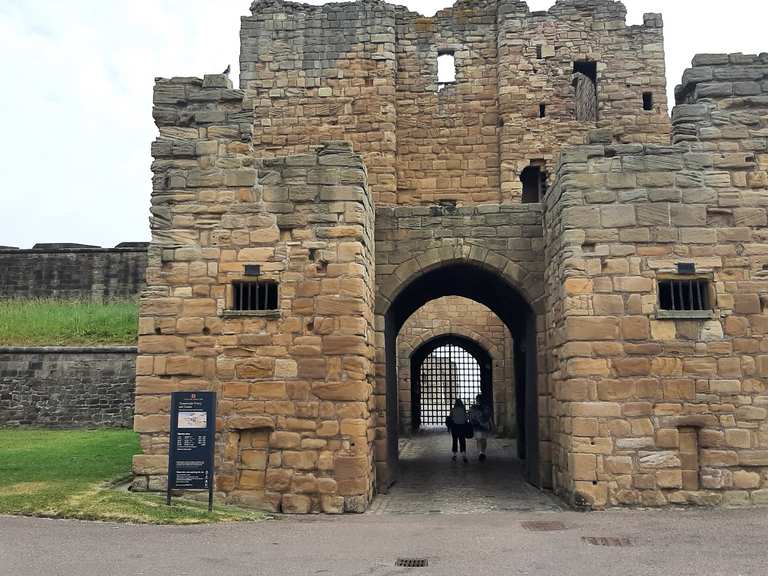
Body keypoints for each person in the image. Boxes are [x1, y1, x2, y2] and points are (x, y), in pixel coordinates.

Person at [470, 394, 494, 462]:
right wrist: (492, 426)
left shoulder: (473, 407)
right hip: (485, 426)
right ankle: (483, 452)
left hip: (477, 426)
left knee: (478, 439)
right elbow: (489, 417)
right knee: (484, 439)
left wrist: (472, 424)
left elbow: (471, 417)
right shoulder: (487, 407)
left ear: (476, 399)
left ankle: (480, 452)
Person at [447, 398, 469, 463]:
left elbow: (450, 418)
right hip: (462, 426)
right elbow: (466, 418)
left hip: (455, 426)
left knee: (455, 440)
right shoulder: (463, 409)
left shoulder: (453, 410)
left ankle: (454, 455)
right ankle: (464, 455)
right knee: (462, 440)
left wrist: (449, 428)